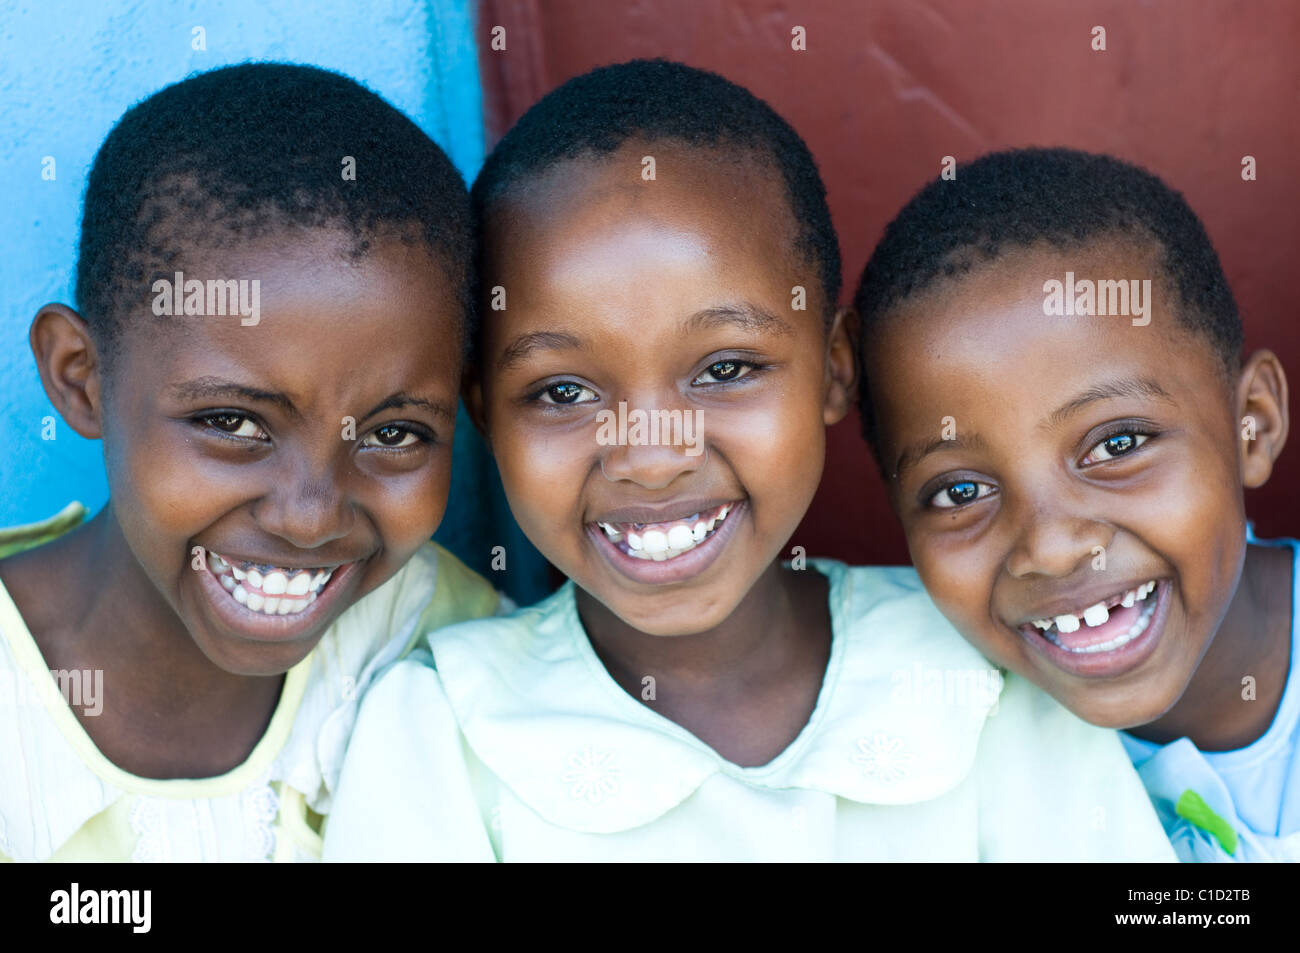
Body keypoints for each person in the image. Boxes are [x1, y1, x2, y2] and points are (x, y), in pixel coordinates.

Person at [323, 63, 1172, 861]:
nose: (652, 459)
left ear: (836, 368)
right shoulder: (444, 728)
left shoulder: (977, 664)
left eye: (726, 370)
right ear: (484, 414)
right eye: (562, 391)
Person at [0, 63, 501, 862]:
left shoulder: (446, 646)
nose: (310, 515)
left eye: (394, 434)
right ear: (80, 377)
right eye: (232, 421)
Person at [853, 146, 1296, 861]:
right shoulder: (928, 742)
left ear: (1253, 424)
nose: (1052, 547)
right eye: (960, 491)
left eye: (1118, 444)